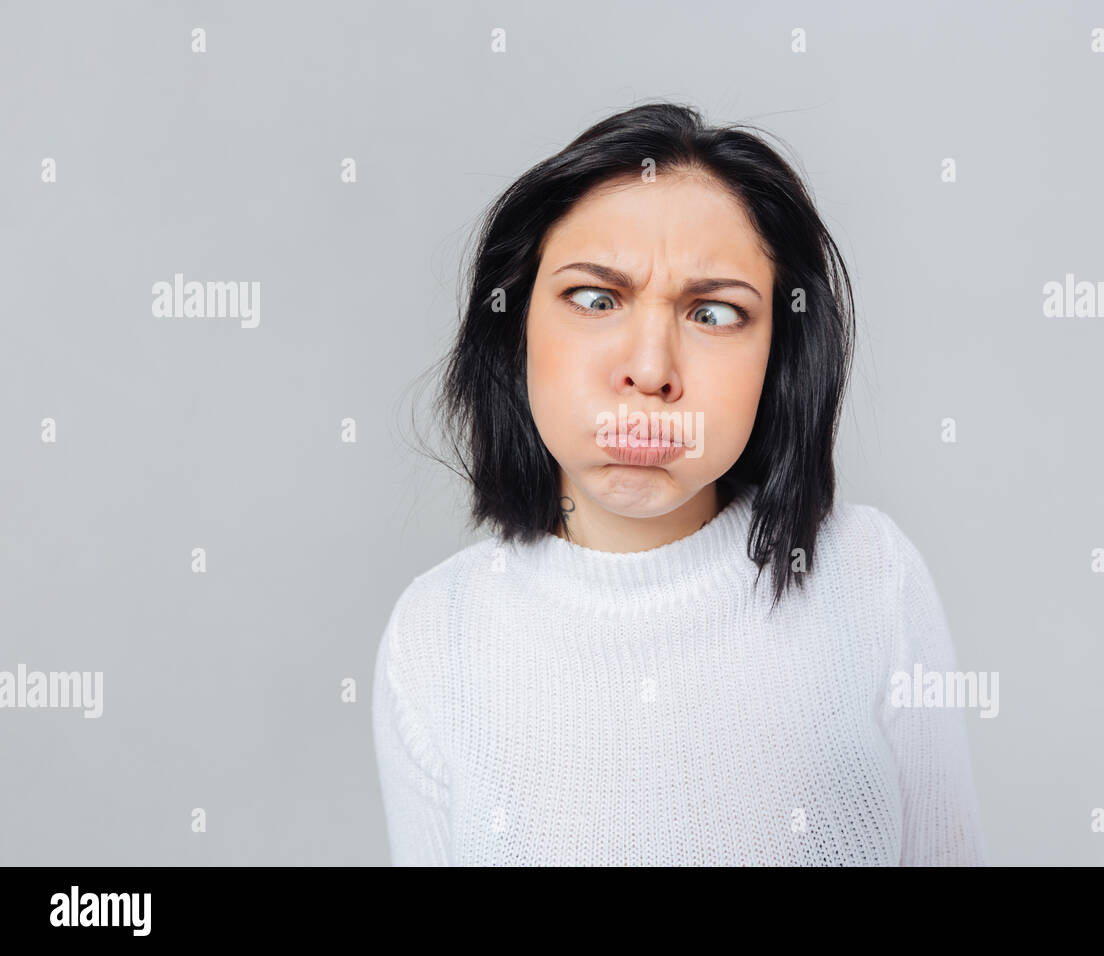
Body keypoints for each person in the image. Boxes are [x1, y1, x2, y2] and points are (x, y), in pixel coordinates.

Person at [372, 102, 990, 865]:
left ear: (780, 355)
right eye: (596, 299)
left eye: (716, 312)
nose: (652, 371)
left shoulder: (870, 578)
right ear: (516, 325)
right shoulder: (436, 633)